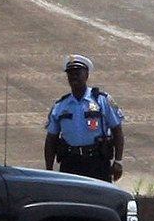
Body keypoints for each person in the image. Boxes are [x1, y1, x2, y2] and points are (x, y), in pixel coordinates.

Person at [44, 54, 125, 182]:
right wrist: (49, 170)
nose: (74, 77)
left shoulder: (101, 100)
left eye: (77, 73)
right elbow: (51, 140)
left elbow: (117, 131)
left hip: (97, 162)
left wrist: (118, 161)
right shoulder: (60, 106)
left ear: (86, 75)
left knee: (100, 199)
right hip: (70, 163)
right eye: (70, 74)